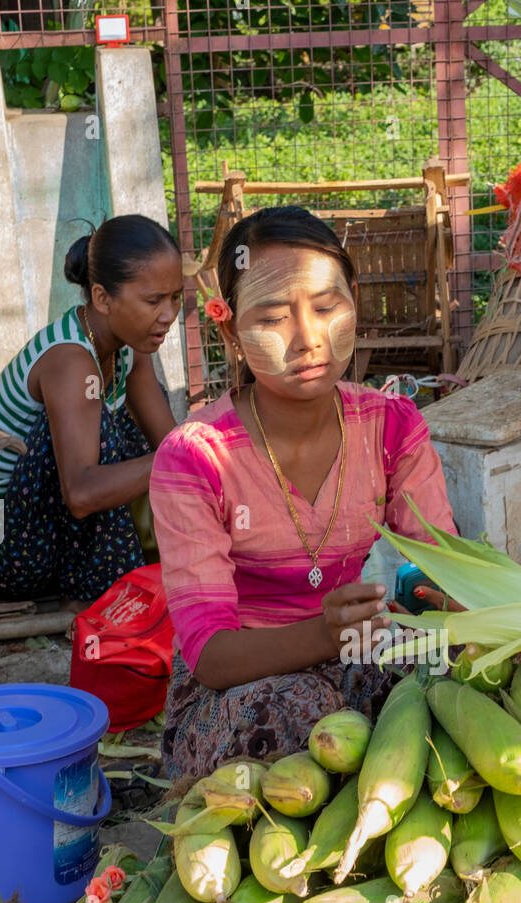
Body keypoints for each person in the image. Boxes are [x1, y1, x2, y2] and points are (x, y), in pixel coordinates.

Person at [149, 205, 458, 781]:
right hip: (241, 688)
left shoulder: (393, 427)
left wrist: (480, 610)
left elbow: (442, 566)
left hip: (357, 653)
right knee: (296, 719)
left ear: (354, 301)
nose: (308, 339)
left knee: (460, 683)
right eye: (272, 318)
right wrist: (324, 633)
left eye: (325, 307)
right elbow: (212, 657)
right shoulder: (195, 457)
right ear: (230, 330)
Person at [0, 215, 183, 603]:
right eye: (153, 300)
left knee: (159, 447)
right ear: (101, 298)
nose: (168, 314)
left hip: (47, 534)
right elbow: (82, 493)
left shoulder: (130, 347)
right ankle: (116, 578)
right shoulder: (70, 359)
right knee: (111, 432)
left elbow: (170, 442)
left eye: (175, 297)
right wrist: (181, 455)